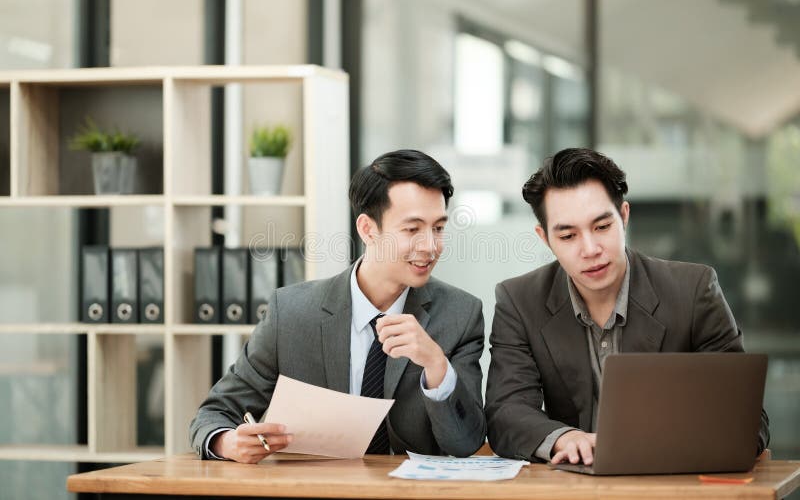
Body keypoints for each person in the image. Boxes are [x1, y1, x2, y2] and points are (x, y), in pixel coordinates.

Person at [190, 149, 486, 463]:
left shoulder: (460, 315)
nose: (429, 246)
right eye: (412, 230)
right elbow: (213, 414)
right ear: (368, 229)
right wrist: (227, 442)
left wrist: (436, 365)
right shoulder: (291, 312)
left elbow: (465, 442)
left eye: (438, 228)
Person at [485, 147, 769, 465]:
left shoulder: (693, 291)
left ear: (624, 216)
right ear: (545, 238)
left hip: (674, 484)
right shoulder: (519, 301)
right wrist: (564, 438)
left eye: (602, 227)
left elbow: (747, 418)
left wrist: (668, 444)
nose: (590, 249)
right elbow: (505, 412)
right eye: (568, 236)